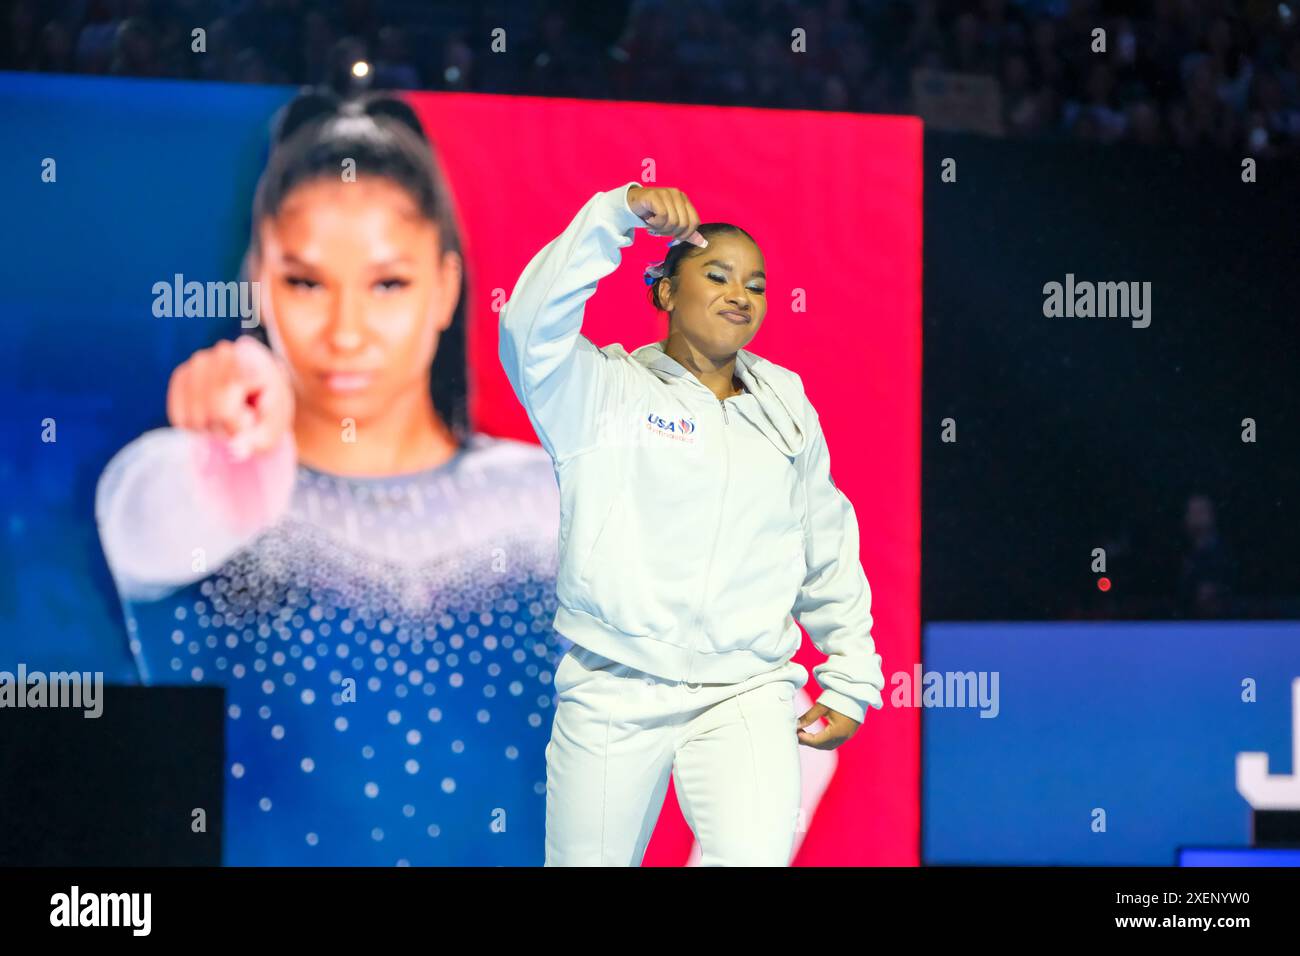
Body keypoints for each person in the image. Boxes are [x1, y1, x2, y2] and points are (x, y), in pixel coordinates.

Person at [95, 90, 565, 865]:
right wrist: (237, 448)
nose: (346, 333)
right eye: (306, 283)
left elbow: (768, 704)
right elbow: (141, 520)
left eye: (387, 285)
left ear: (446, 287)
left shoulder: (551, 504)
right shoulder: (190, 495)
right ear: (256, 281)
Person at [499, 182, 885, 866]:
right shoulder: (601, 392)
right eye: (717, 275)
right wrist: (615, 216)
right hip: (615, 684)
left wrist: (851, 678)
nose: (741, 293)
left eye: (757, 285)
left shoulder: (786, 404)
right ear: (665, 293)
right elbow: (528, 329)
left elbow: (825, 542)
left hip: (749, 687)